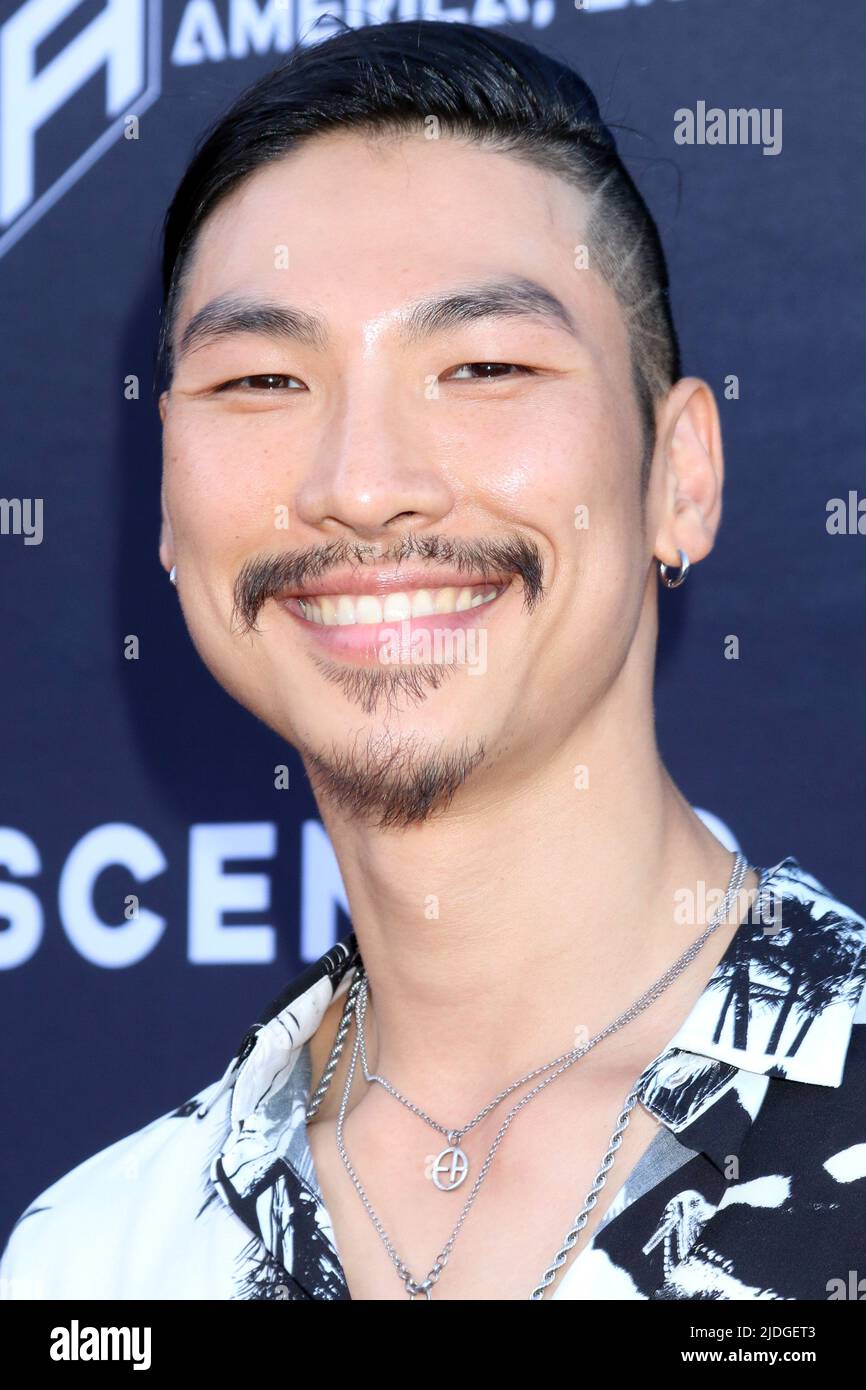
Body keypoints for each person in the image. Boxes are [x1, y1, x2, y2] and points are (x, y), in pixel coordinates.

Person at [3, 18, 865, 1302]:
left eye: (483, 364)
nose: (362, 487)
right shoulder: (96, 1264)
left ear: (678, 476)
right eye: (260, 381)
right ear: (168, 515)